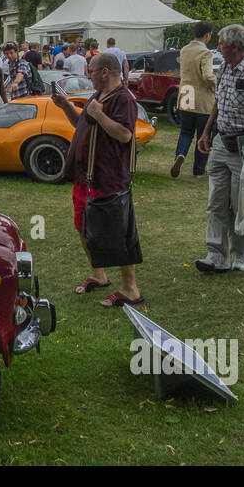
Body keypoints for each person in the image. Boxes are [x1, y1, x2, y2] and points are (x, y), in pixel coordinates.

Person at [53, 52, 144, 307]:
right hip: (86, 177)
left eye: (91, 70)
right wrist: (67, 107)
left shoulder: (123, 99)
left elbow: (125, 134)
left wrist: (99, 114)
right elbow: (82, 123)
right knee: (83, 226)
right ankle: (99, 274)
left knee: (118, 232)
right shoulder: (98, 95)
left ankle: (130, 289)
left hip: (108, 177)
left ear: (105, 71)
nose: (88, 74)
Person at [194, 24, 244, 274]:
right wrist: (207, 131)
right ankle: (216, 256)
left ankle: (241, 253)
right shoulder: (225, 68)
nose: (216, 47)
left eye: (219, 43)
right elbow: (219, 101)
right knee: (216, 202)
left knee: (241, 205)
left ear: (233, 46)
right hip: (221, 142)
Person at [172, 21, 217, 178]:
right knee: (203, 135)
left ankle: (180, 154)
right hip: (202, 99)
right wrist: (218, 84)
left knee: (186, 132)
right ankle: (198, 171)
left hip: (185, 96)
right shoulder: (206, 53)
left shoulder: (184, 50)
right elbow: (207, 75)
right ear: (207, 35)